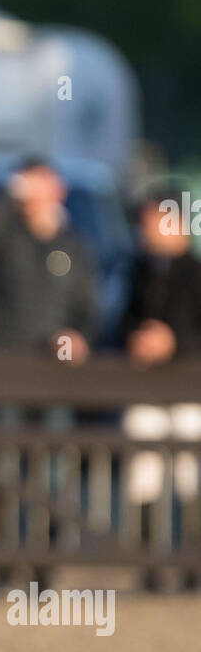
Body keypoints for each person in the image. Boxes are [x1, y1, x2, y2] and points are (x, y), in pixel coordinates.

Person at [119, 191, 201, 506]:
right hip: (149, 388)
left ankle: (192, 545)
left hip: (190, 390)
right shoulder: (141, 273)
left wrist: (174, 343)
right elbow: (122, 322)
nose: (146, 232)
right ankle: (145, 546)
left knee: (189, 466)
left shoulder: (195, 272)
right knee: (143, 461)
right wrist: (137, 339)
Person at [0, 156, 96, 360]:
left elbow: (87, 306)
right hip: (5, 354)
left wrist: (78, 337)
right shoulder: (8, 236)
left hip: (55, 359)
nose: (34, 194)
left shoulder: (75, 246)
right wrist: (14, 189)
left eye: (41, 184)